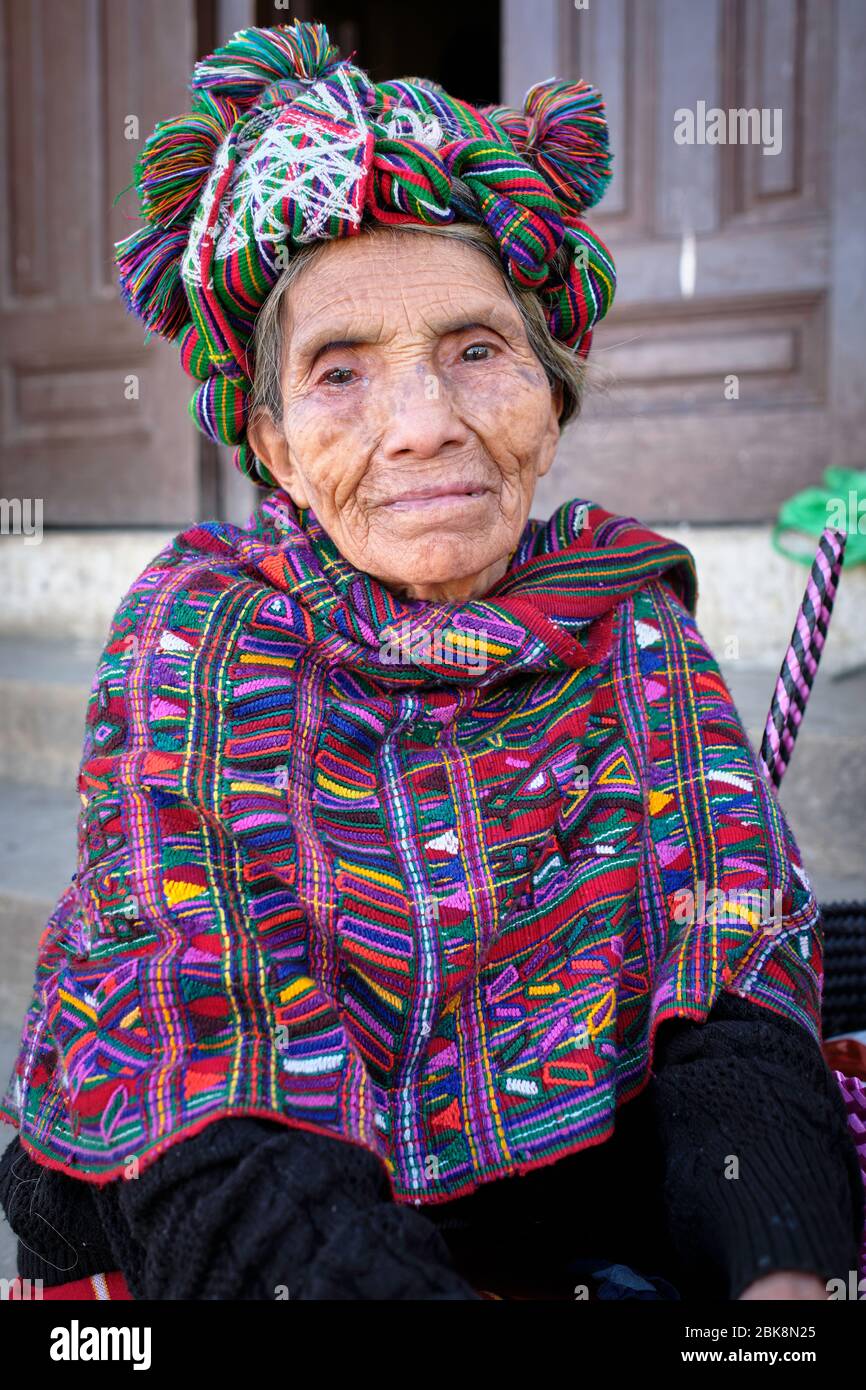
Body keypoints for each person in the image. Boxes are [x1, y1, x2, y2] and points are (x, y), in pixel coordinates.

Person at [0, 19, 863, 1302]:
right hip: (270, 1199)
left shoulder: (620, 612)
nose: (423, 428)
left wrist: (779, 1287)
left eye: (474, 350)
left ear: (548, 397)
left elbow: (724, 952)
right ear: (276, 446)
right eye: (340, 373)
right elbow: (208, 1058)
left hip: (556, 1169)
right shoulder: (202, 628)